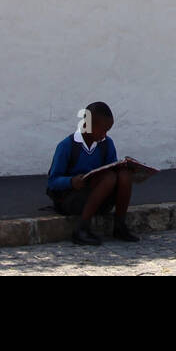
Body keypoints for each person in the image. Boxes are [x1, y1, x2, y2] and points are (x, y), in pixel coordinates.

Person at [46, 101, 140, 245]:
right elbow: (52, 181)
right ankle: (82, 228)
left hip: (100, 198)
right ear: (87, 125)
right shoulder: (67, 146)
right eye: (102, 130)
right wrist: (71, 181)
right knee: (108, 178)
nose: (104, 135)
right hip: (73, 199)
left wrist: (124, 167)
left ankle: (120, 225)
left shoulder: (107, 144)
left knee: (124, 175)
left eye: (108, 131)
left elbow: (112, 168)